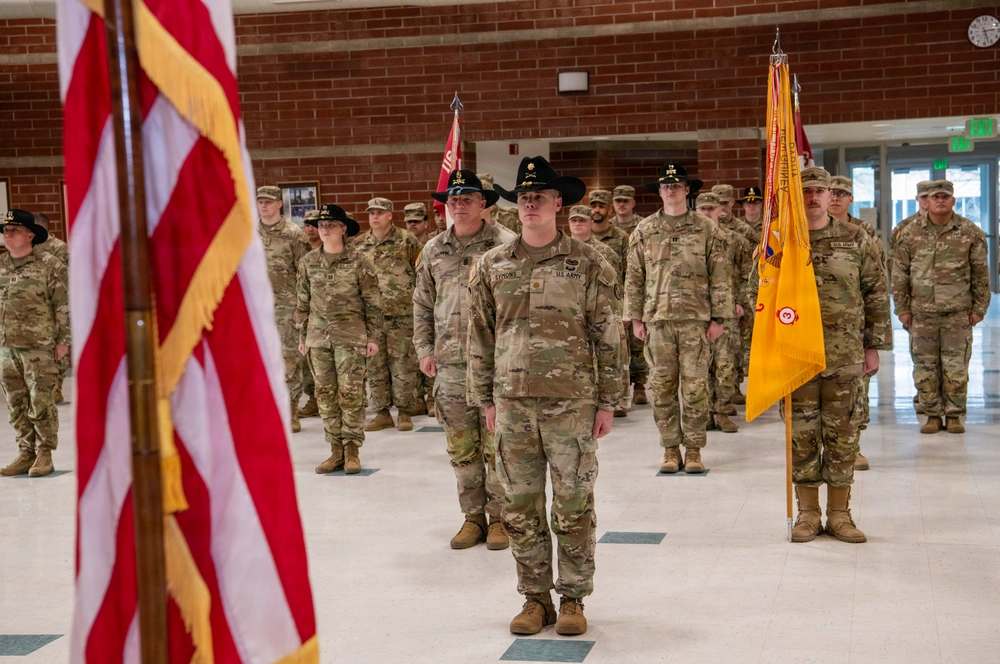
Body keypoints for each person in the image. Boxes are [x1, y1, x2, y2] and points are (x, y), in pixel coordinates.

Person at [467, 156, 627, 637]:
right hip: (512, 402)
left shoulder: (590, 262)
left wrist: (608, 400)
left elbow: (608, 335)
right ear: (517, 207)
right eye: (525, 198)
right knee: (520, 504)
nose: (531, 204)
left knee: (574, 502)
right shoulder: (493, 264)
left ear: (560, 203)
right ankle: (535, 598)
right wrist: (486, 400)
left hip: (572, 402)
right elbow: (480, 335)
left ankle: (574, 597)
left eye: (540, 197)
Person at [413, 170, 516, 550]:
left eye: (467, 198)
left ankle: (499, 518)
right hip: (451, 365)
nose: (458, 205)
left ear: (483, 203)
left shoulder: (505, 245)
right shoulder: (433, 249)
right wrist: (424, 349)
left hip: (494, 366)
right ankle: (471, 518)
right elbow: (422, 303)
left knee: (497, 445)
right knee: (461, 448)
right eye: (452, 200)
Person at [789, 168, 890, 544]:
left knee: (843, 435)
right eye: (806, 191)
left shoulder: (855, 237)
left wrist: (873, 345)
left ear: (831, 194)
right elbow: (760, 295)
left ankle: (840, 513)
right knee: (801, 437)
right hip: (796, 355)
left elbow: (876, 291)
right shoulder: (782, 239)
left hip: (845, 354)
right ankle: (808, 513)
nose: (813, 197)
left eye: (819, 190)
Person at [625, 163, 731, 474]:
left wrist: (719, 318)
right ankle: (670, 448)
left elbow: (720, 275)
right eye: (665, 185)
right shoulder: (645, 229)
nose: (670, 189)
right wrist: (634, 317)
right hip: (657, 320)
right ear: (659, 191)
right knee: (662, 386)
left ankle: (695, 449)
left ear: (687, 190)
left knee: (696, 387)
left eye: (677, 185)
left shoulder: (707, 228)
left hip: (696, 320)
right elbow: (633, 276)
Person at [892, 180, 990, 435]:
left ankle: (955, 414)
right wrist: (902, 309)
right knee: (924, 366)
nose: (940, 200)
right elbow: (900, 274)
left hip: (957, 312)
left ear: (953, 200)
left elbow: (981, 273)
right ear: (927, 200)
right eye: (935, 196)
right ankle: (933, 415)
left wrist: (980, 308)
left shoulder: (969, 232)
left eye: (945, 196)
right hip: (921, 313)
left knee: (956, 365)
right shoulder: (911, 233)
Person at [297, 205, 382, 474]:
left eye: (331, 224)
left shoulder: (360, 262)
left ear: (343, 228)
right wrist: (302, 336)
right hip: (318, 339)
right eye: (321, 225)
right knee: (325, 394)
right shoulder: (308, 262)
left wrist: (373, 337)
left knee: (351, 394)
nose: (325, 228)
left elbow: (373, 303)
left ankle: (352, 450)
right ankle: (335, 451)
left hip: (352, 338)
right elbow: (303, 303)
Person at [0, 210, 69, 477]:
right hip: (7, 348)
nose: (8, 234)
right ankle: (25, 452)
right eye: (6, 231)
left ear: (30, 235)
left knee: (41, 402)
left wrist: (63, 341)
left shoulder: (50, 265)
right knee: (16, 403)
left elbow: (62, 305)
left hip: (39, 347)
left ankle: (44, 454)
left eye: (15, 230)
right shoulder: (1, 265)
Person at [827, 175, 885, 469]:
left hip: (853, 327)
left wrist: (875, 339)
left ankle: (854, 446)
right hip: (816, 327)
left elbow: (875, 282)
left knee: (857, 391)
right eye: (830, 192)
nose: (835, 197)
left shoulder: (863, 232)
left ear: (851, 199)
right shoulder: (803, 230)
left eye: (842, 193)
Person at [357, 197, 424, 431]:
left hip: (402, 314)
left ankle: (405, 412)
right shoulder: (359, 245)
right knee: (376, 366)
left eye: (379, 212)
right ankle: (382, 412)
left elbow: (422, 272)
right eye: (371, 213)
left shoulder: (407, 240)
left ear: (389, 215)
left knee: (404, 364)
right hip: (373, 318)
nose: (374, 216)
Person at [257, 185, 310, 433]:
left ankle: (290, 412)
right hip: (256, 310)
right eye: (260, 201)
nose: (264, 205)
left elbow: (304, 273)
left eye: (268, 201)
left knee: (289, 360)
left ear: (279, 204)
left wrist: (301, 307)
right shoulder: (247, 233)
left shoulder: (294, 234)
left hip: (285, 307)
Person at [694, 192, 748, 433]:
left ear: (720, 211)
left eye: (711, 208)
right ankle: (704, 413)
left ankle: (723, 412)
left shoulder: (734, 241)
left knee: (725, 365)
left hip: (726, 310)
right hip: (697, 312)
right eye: (702, 208)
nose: (707, 213)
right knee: (699, 366)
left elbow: (748, 275)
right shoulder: (689, 240)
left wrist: (741, 302)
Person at [590, 189, 638, 413]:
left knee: (623, 350)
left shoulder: (620, 238)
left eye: (601, 206)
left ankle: (630, 391)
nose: (596, 210)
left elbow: (631, 273)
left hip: (617, 301)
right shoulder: (581, 241)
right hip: (592, 304)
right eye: (593, 206)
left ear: (609, 210)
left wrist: (629, 305)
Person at [889, 179, 932, 414]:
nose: (928, 200)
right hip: (918, 303)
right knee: (921, 352)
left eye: (931, 196)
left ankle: (949, 400)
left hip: (947, 303)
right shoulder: (904, 228)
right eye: (923, 196)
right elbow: (895, 266)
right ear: (917, 199)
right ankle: (925, 394)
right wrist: (901, 304)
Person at [31, 212, 70, 404]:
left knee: (58, 345)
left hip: (57, 304)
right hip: (34, 306)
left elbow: (70, 275)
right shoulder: (30, 247)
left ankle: (58, 386)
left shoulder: (60, 248)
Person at [734, 186, 764, 406]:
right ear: (743, 205)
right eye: (748, 202)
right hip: (740, 286)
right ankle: (736, 386)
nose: (752, 206)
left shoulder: (771, 226)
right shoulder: (735, 228)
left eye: (755, 202)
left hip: (765, 285)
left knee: (762, 336)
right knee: (737, 338)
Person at [298, 209, 323, 419]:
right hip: (305, 313)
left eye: (315, 223)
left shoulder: (332, 250)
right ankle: (312, 397)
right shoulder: (303, 250)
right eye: (307, 223)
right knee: (305, 360)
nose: (310, 227)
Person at [566, 205, 621, 279]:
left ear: (591, 222)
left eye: (582, 220)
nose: (577, 224)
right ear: (568, 222)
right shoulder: (560, 250)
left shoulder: (606, 252)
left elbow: (615, 284)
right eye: (574, 220)